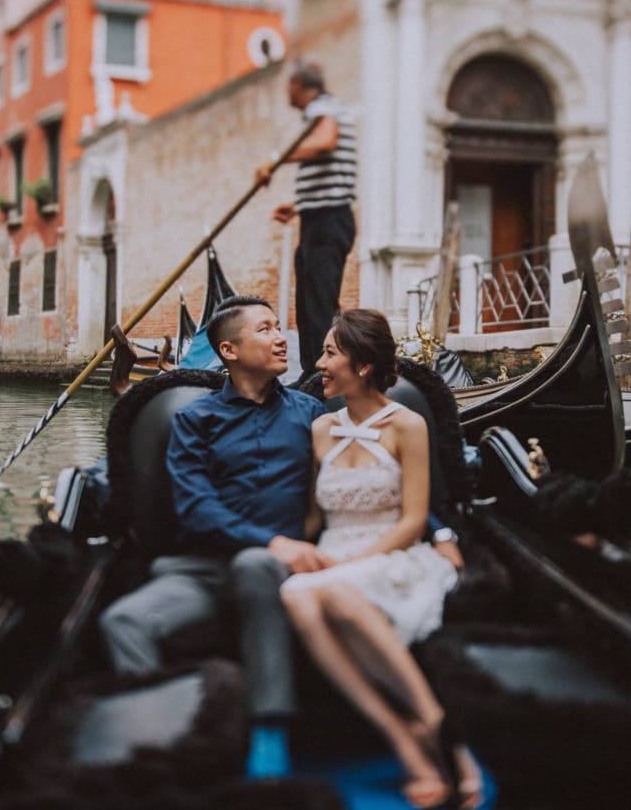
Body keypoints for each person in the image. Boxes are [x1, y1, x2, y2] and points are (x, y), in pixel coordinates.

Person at [98, 294, 463, 780]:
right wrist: (272, 542)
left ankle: (270, 734)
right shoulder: (194, 421)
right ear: (229, 351)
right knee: (123, 621)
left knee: (256, 565)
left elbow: (373, 479)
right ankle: (163, 745)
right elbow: (196, 507)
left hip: (281, 568)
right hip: (205, 570)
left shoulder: (310, 415)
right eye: (266, 329)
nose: (281, 338)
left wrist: (439, 529)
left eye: (278, 326)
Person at [280, 309, 483, 808]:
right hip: (333, 554)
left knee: (329, 591)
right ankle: (407, 736)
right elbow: (312, 517)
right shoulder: (319, 428)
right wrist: (273, 543)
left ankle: (435, 724)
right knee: (296, 594)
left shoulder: (408, 425)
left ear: (363, 365)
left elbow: (412, 520)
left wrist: (350, 567)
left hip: (393, 552)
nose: (319, 364)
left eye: (330, 353)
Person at [255, 62, 357, 381]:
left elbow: (325, 142)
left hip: (328, 221)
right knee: (308, 305)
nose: (288, 93)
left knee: (319, 306)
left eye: (289, 86)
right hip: (319, 219)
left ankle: (324, 375)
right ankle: (312, 373)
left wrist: (275, 161)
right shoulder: (324, 110)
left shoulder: (322, 108)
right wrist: (299, 206)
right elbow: (329, 173)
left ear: (299, 86)